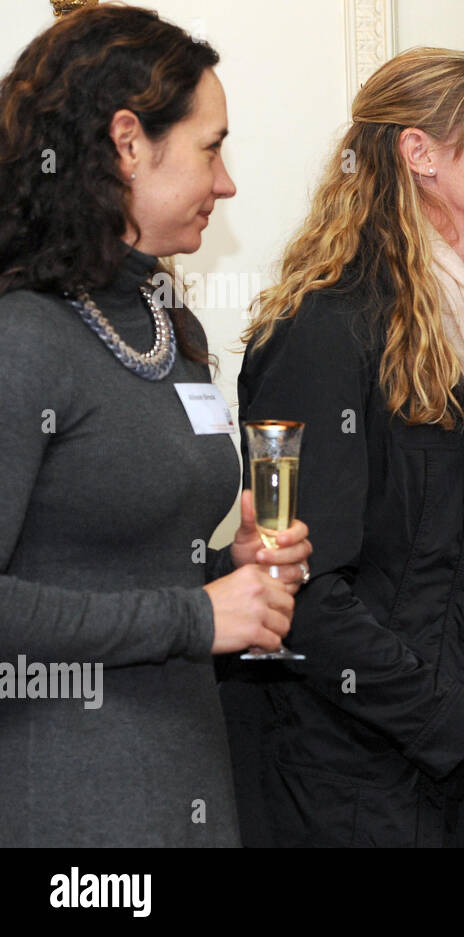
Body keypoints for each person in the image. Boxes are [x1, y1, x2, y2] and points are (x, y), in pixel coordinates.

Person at [221, 47, 464, 848]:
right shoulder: (319, 332)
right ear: (420, 153)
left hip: (452, 783)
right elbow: (301, 596)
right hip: (341, 789)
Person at [0, 5, 309, 847]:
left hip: (186, 779)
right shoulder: (22, 334)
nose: (228, 181)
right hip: (63, 799)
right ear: (129, 140)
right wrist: (197, 616)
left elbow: (110, 563)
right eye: (212, 147)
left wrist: (226, 568)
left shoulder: (167, 320)